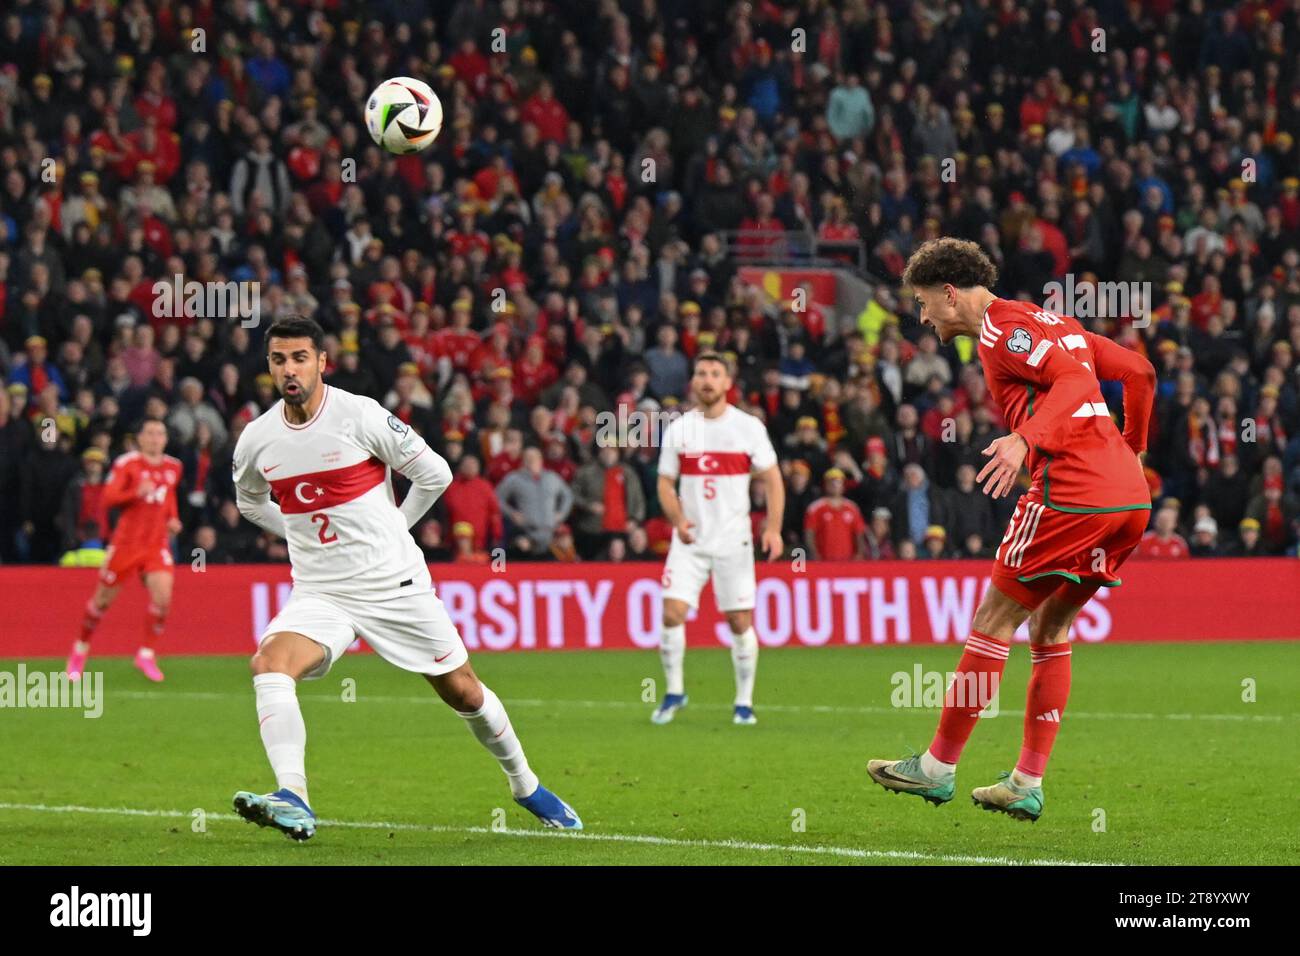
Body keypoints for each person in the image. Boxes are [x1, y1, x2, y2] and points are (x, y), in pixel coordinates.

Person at [229, 317, 580, 840]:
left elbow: (434, 472)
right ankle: (293, 797)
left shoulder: (360, 415)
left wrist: (397, 525)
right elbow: (248, 499)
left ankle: (525, 785)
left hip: (393, 584)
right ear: (269, 367)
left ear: (323, 361)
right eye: (279, 359)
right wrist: (295, 534)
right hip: (322, 591)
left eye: (300, 357)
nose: (289, 369)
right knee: (269, 663)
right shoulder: (258, 439)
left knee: (462, 691)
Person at [868, 238, 1155, 822]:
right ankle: (1025, 781)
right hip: (1129, 501)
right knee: (1052, 626)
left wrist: (1027, 438)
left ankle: (937, 767)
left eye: (924, 303)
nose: (922, 317)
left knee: (992, 623)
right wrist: (1132, 450)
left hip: (1071, 493)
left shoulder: (1002, 331)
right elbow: (1140, 372)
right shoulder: (1056, 323)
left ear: (950, 293)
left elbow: (1075, 387)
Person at [652, 351, 785, 726]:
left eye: (714, 373)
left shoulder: (748, 428)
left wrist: (773, 527)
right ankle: (674, 691)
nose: (707, 380)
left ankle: (743, 702)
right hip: (690, 540)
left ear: (728, 383)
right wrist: (677, 518)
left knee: (739, 622)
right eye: (701, 373)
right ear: (693, 381)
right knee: (671, 612)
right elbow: (665, 482)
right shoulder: (680, 429)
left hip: (733, 541)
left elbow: (773, 478)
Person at [66, 417, 182, 683]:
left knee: (162, 598)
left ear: (165, 439)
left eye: (160, 433)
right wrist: (135, 493)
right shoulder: (127, 464)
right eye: (150, 433)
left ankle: (145, 653)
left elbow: (169, 495)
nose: (155, 438)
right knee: (101, 602)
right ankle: (79, 650)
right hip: (126, 545)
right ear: (140, 438)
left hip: (156, 545)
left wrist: (172, 518)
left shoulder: (174, 467)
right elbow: (108, 498)